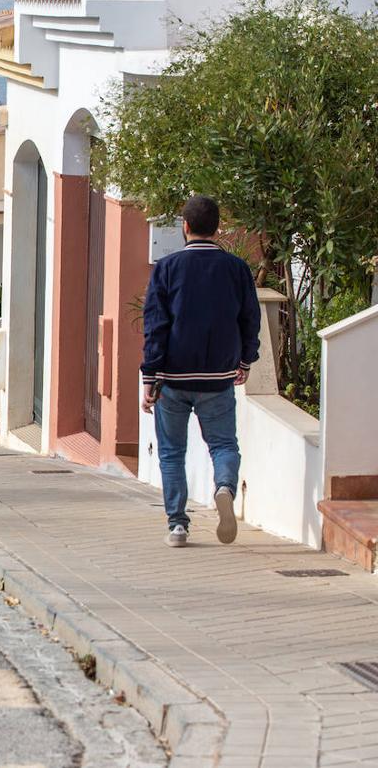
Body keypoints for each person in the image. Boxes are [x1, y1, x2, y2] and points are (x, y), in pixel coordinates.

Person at [141, 195, 261, 548]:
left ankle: (178, 526)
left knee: (171, 452)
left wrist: (150, 375)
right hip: (218, 378)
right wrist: (245, 361)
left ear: (186, 226)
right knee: (223, 444)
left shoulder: (167, 268)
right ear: (217, 228)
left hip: (173, 378)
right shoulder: (237, 269)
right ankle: (224, 487)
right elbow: (250, 319)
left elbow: (156, 325)